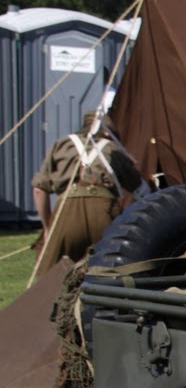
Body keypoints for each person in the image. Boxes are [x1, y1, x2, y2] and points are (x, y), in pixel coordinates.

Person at [31, 111, 141, 276]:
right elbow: (136, 186)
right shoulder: (113, 148)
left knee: (49, 277)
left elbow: (39, 190)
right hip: (104, 212)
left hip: (66, 214)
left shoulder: (62, 144)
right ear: (106, 132)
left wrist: (48, 228)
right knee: (112, 271)